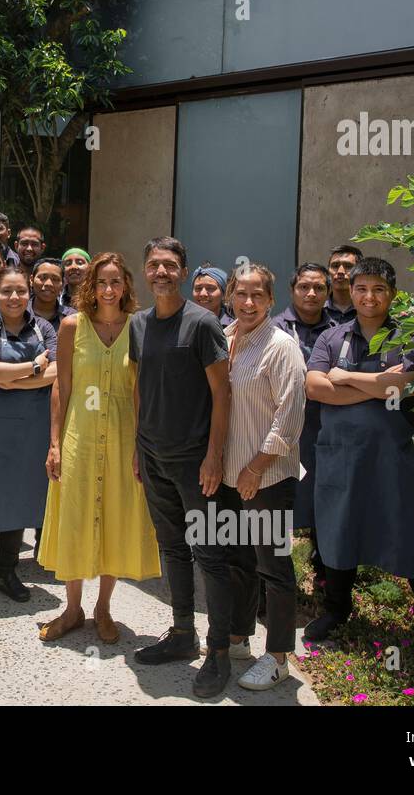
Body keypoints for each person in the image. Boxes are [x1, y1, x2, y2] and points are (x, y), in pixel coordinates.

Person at [304, 256, 414, 644]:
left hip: (390, 457)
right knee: (337, 533)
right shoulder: (331, 338)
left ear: (392, 294)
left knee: (408, 531)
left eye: (378, 289)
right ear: (350, 292)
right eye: (361, 288)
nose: (369, 296)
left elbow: (406, 387)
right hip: (340, 456)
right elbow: (316, 388)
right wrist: (377, 384)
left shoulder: (410, 337)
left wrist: (348, 377)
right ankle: (336, 611)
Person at [130, 237, 256, 699]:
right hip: (154, 456)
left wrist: (213, 456)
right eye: (153, 264)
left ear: (182, 272)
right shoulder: (139, 325)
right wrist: (136, 447)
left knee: (210, 554)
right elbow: (140, 387)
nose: (161, 272)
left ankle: (218, 651)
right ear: (146, 271)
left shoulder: (202, 324)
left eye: (169, 265)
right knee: (172, 548)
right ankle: (183, 633)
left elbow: (222, 394)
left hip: (194, 462)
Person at [39, 252, 160, 643]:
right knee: (74, 515)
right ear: (91, 286)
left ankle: (103, 607)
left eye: (116, 282)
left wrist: (142, 444)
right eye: (101, 282)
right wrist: (55, 443)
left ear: (126, 286)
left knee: (114, 515)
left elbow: (141, 391)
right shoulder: (73, 326)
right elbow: (62, 386)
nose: (109, 290)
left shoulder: (138, 328)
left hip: (124, 436)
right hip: (80, 437)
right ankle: (72, 608)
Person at [222, 263, 306, 691]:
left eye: (258, 295)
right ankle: (238, 638)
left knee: (273, 567)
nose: (249, 302)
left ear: (272, 300)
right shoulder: (227, 339)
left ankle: (277, 658)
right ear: (230, 297)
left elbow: (288, 421)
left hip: (266, 477)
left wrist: (254, 468)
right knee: (239, 561)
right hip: (232, 475)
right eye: (241, 294)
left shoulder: (282, 346)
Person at [0, 266, 58, 617]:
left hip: (33, 425)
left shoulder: (45, 328)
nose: (14, 297)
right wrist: (33, 368)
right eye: (7, 291)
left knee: (21, 494)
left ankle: (7, 572)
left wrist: (12, 378)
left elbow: (56, 371)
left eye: (20, 290)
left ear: (30, 291)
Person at [271, 262, 338, 583]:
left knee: (326, 507)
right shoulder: (274, 329)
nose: (311, 293)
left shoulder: (341, 330)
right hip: (284, 434)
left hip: (327, 433)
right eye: (304, 287)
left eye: (319, 288)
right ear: (292, 290)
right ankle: (272, 586)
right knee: (277, 509)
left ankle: (326, 580)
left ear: (328, 292)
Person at [31, 257, 75, 330]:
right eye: (43, 278)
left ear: (63, 284)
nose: (49, 284)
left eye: (55, 279)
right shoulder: (18, 313)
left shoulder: (72, 317)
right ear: (31, 280)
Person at [323, 244, 363, 323]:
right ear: (328, 271)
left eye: (348, 266)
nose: (340, 271)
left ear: (360, 272)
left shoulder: (368, 311)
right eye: (335, 266)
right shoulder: (317, 310)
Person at [191, 263, 234, 327]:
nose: (203, 294)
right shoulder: (183, 323)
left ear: (224, 295)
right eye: (198, 288)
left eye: (210, 288)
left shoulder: (234, 328)